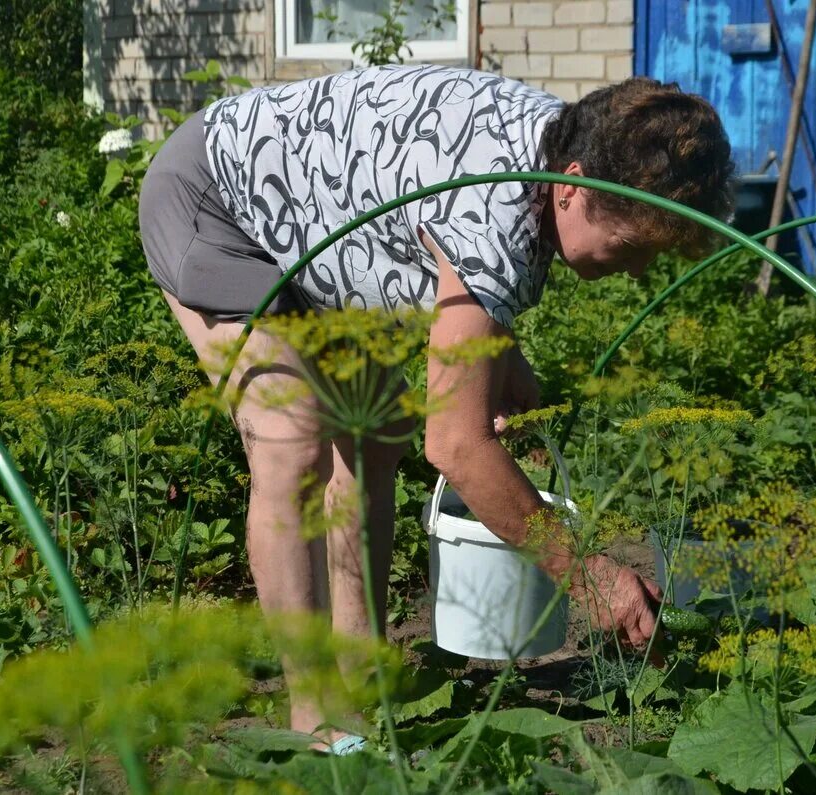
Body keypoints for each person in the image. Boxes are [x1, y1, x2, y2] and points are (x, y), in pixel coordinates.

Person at [138, 63, 733, 751]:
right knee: (292, 439)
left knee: (375, 433)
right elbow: (456, 446)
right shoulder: (503, 209)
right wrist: (591, 574)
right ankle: (317, 718)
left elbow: (442, 234)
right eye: (631, 247)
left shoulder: (567, 144)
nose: (635, 272)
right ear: (572, 185)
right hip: (217, 202)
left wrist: (500, 351)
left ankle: (364, 676)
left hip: (311, 232)